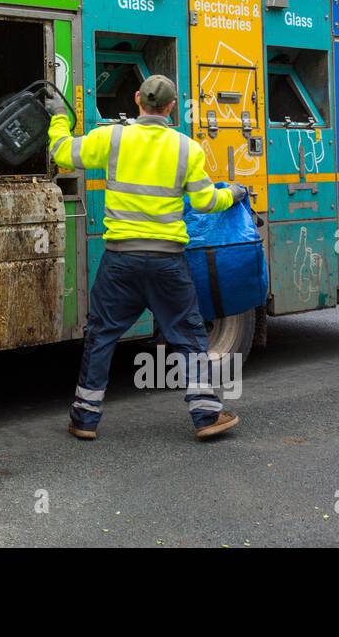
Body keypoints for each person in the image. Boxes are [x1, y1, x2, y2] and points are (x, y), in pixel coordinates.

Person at [48, 75, 244, 441]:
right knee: (187, 337)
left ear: (138, 99)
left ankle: (85, 418)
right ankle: (205, 415)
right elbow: (204, 202)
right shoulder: (188, 149)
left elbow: (61, 152)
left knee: (102, 334)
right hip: (167, 261)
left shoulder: (112, 137)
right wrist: (233, 193)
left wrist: (60, 116)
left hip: (120, 260)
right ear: (171, 107)